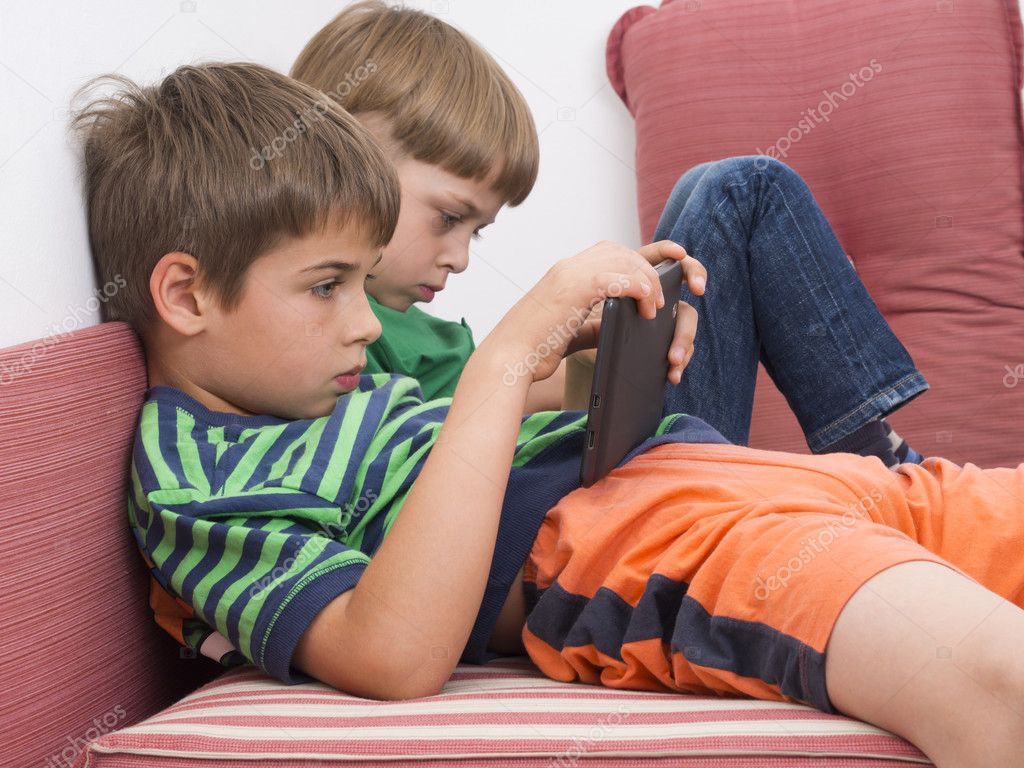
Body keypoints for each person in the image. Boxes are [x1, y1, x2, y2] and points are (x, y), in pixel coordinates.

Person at [74, 62, 1024, 767]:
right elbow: (393, 655)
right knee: (995, 679)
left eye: (363, 284)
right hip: (647, 545)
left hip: (742, 477)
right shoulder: (195, 482)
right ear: (187, 296)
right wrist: (506, 359)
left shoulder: (309, 383)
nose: (366, 323)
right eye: (327, 286)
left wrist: (574, 354)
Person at [290, 0, 926, 468]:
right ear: (342, 166)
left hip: (586, 485)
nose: (458, 259)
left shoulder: (426, 335)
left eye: (476, 233)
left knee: (711, 198)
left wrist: (597, 348)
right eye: (449, 218)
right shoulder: (330, 334)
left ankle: (875, 459)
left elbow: (538, 413)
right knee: (741, 191)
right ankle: (883, 465)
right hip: (570, 525)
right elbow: (429, 455)